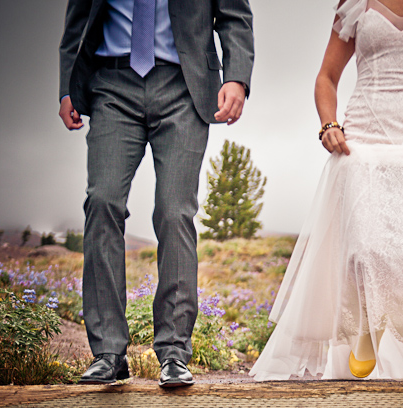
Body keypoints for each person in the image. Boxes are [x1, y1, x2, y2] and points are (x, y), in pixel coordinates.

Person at [251, 0, 403, 408]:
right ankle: (366, 325)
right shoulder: (355, 5)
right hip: (364, 137)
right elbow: (326, 77)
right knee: (365, 248)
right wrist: (329, 124)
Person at [58, 0, 255, 387]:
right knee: (102, 202)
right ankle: (108, 353)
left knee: (174, 211)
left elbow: (235, 15)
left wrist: (237, 76)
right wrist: (67, 86)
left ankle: (174, 353)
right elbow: (77, 20)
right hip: (110, 85)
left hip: (185, 85)